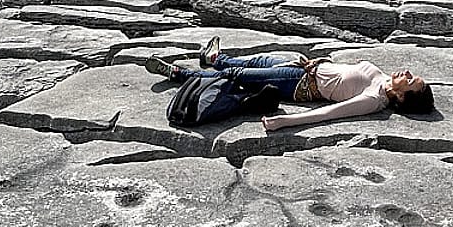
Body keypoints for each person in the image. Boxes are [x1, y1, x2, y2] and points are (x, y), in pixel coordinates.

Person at [145, 37, 434, 131]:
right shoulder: (383, 78)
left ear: (403, 98)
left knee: (238, 78)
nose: (407, 73)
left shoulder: (374, 99)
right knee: (251, 63)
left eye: (410, 82)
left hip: (297, 84)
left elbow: (328, 114)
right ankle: (215, 59)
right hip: (302, 66)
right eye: (412, 75)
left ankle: (180, 74)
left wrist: (285, 122)